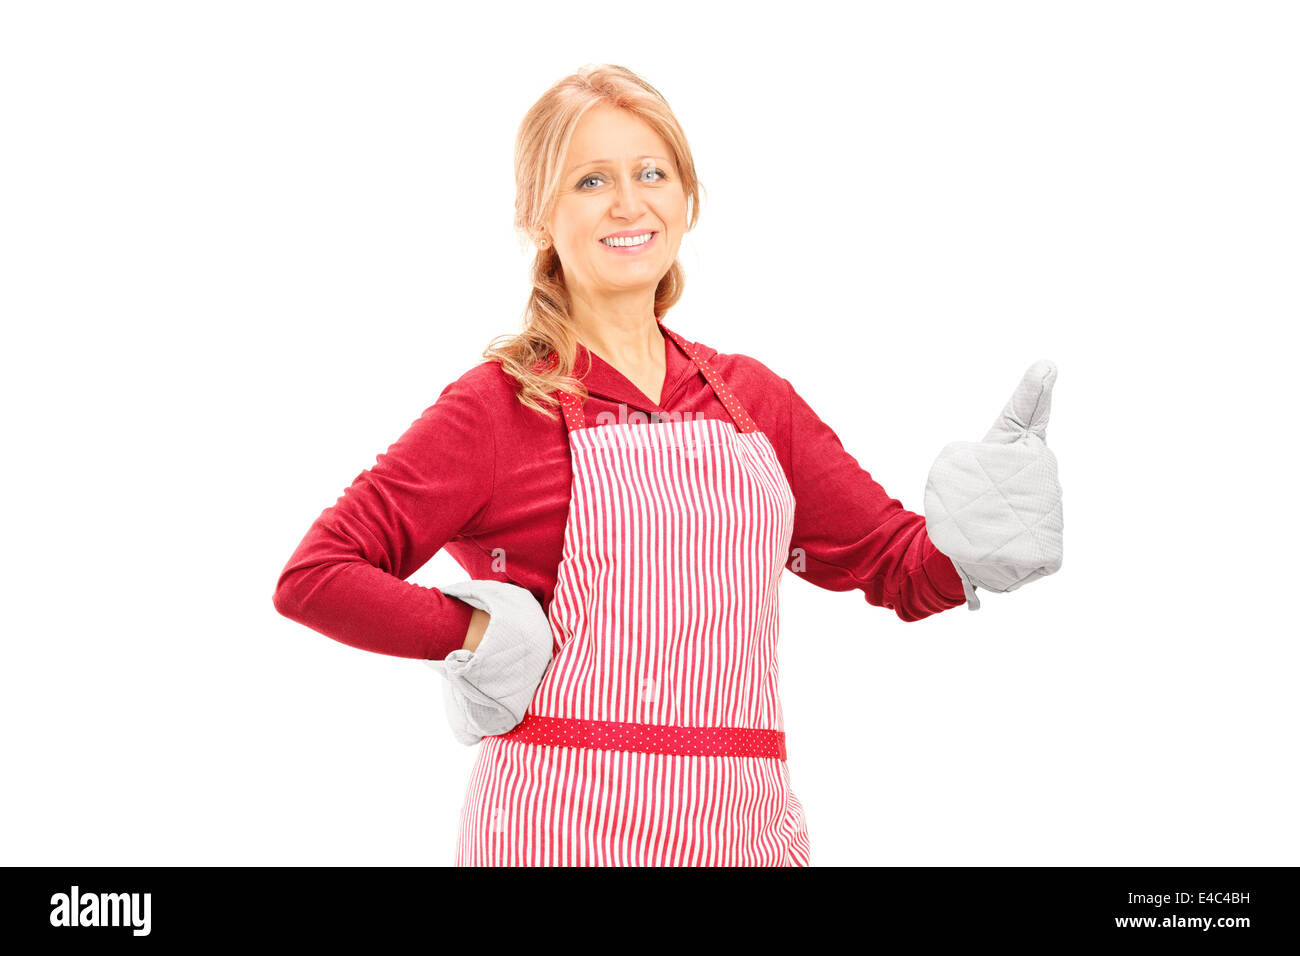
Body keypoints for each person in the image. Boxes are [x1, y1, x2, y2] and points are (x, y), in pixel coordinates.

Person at [272, 64, 1063, 867]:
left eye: (652, 173)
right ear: (538, 217)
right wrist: (474, 631)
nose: (628, 203)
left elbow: (896, 568)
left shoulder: (755, 400)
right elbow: (316, 575)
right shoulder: (500, 407)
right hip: (558, 829)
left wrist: (971, 547)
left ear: (686, 201)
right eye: (590, 180)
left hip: (743, 831)